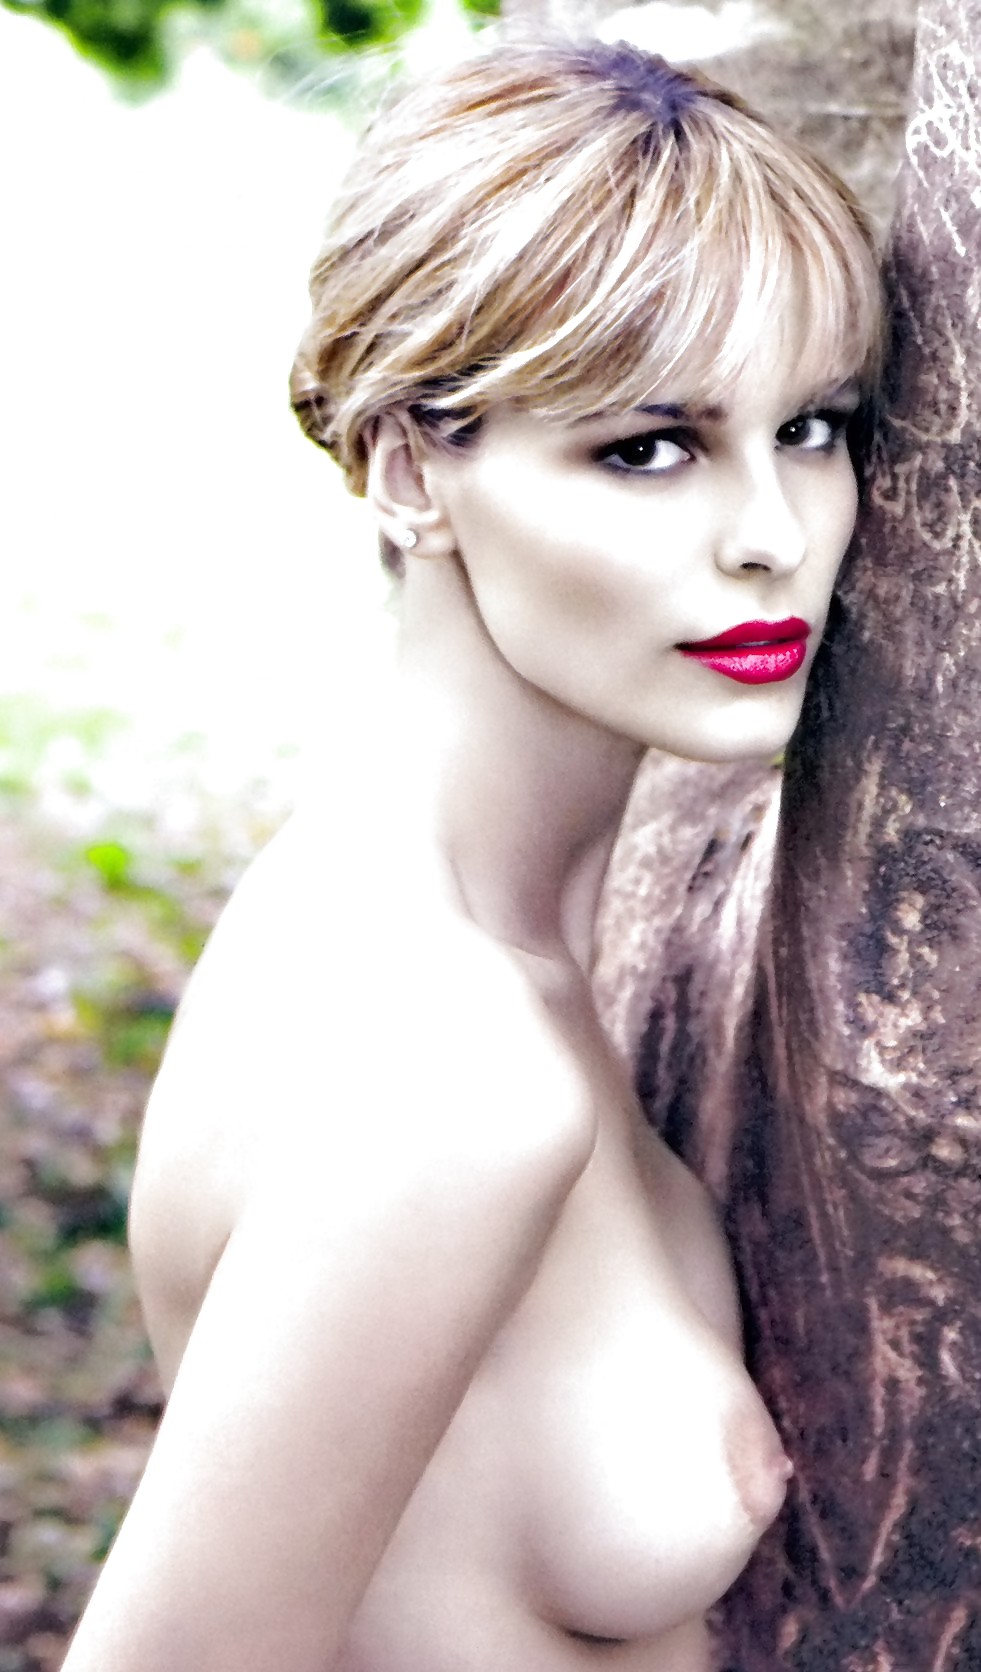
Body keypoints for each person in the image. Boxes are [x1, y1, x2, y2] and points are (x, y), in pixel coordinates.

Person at [62, 37, 883, 1672]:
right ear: (406, 469)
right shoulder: (445, 1078)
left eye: (810, 427)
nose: (771, 536)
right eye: (645, 448)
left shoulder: (453, 920)